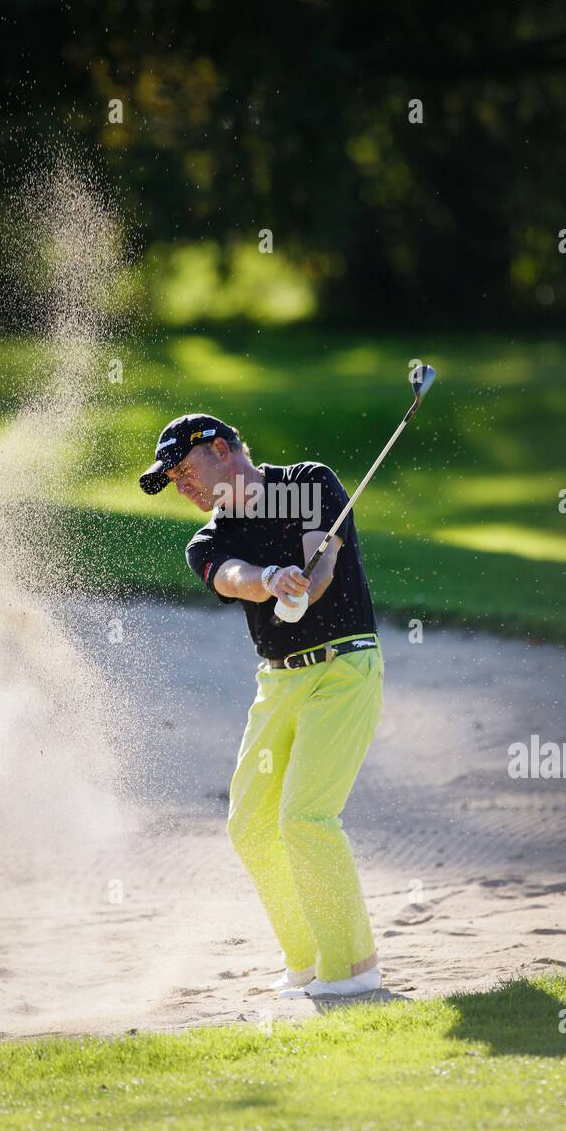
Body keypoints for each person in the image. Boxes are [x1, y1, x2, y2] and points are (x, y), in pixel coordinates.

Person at [139, 413, 384, 998]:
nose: (181, 485)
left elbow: (321, 564)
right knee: (250, 825)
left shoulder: (307, 482)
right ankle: (306, 960)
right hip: (277, 684)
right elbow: (231, 576)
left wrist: (303, 583)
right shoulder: (209, 537)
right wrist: (271, 580)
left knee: (305, 816)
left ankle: (353, 967)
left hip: (344, 670)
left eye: (183, 470)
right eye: (171, 478)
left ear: (221, 450)